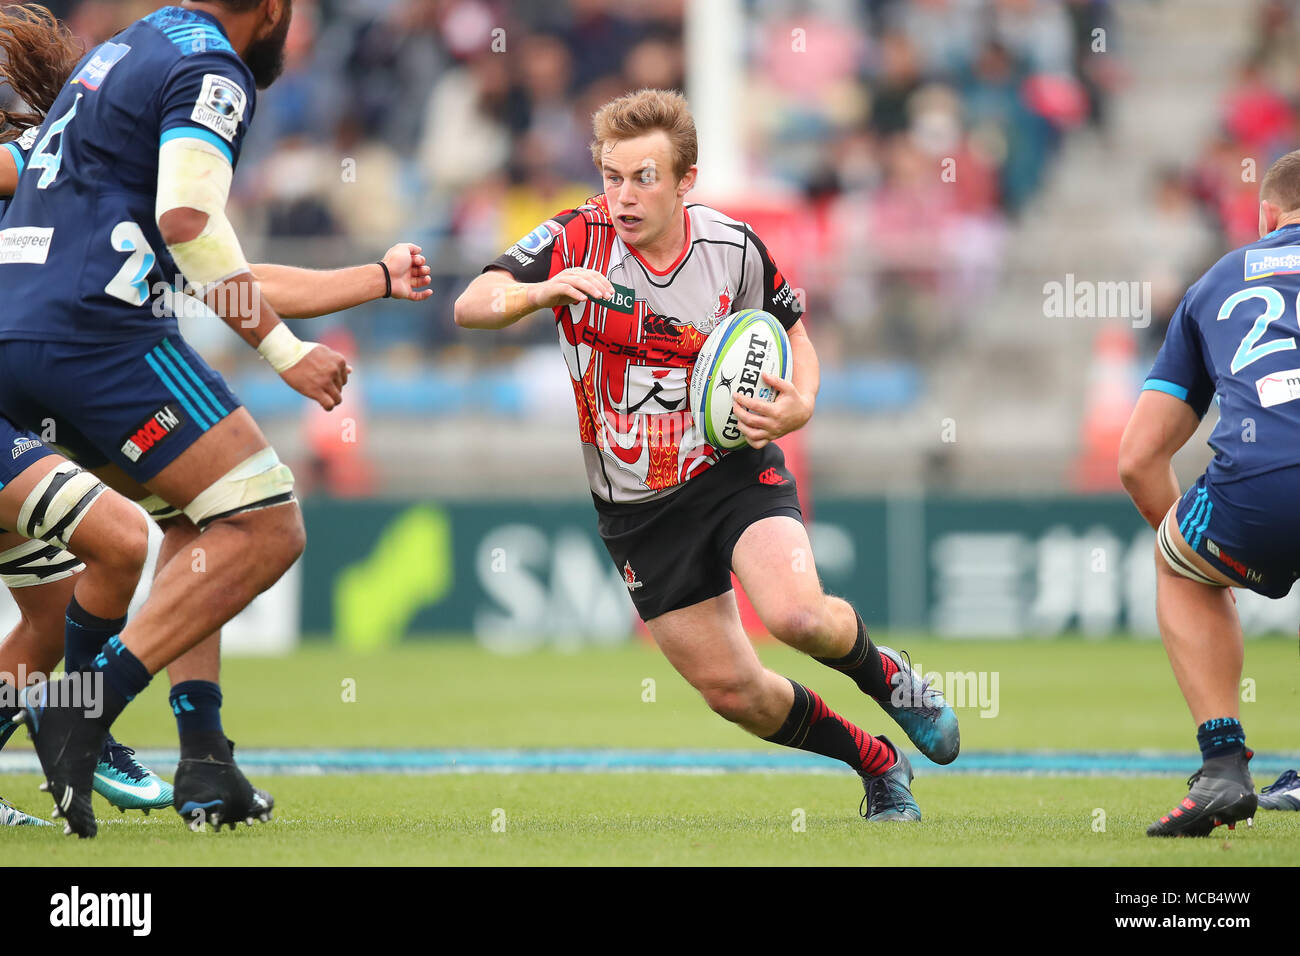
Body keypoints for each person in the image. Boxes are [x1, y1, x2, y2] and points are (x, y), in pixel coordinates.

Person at [454, 89, 959, 822]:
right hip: (635, 508)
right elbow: (473, 302)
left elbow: (796, 330)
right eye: (611, 176)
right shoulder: (572, 238)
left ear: (685, 180)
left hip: (731, 472)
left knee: (798, 618)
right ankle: (876, 762)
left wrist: (803, 400)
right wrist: (540, 295)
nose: (623, 196)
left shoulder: (732, 247)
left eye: (644, 178)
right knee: (733, 693)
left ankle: (893, 682)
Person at [0, 3, 431, 827]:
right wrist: (288, 353)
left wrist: (368, 277)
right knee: (269, 524)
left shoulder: (121, 52)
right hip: (99, 336)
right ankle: (80, 711)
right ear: (270, 9)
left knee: (201, 522)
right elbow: (192, 230)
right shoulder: (211, 70)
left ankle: (204, 760)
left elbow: (202, 254)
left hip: (19, 336)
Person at [1119, 148, 1300, 836]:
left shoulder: (1220, 278)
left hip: (1256, 487)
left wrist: (1203, 555)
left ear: (1267, 217)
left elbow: (1139, 459)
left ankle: (1223, 768)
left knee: (1180, 563)